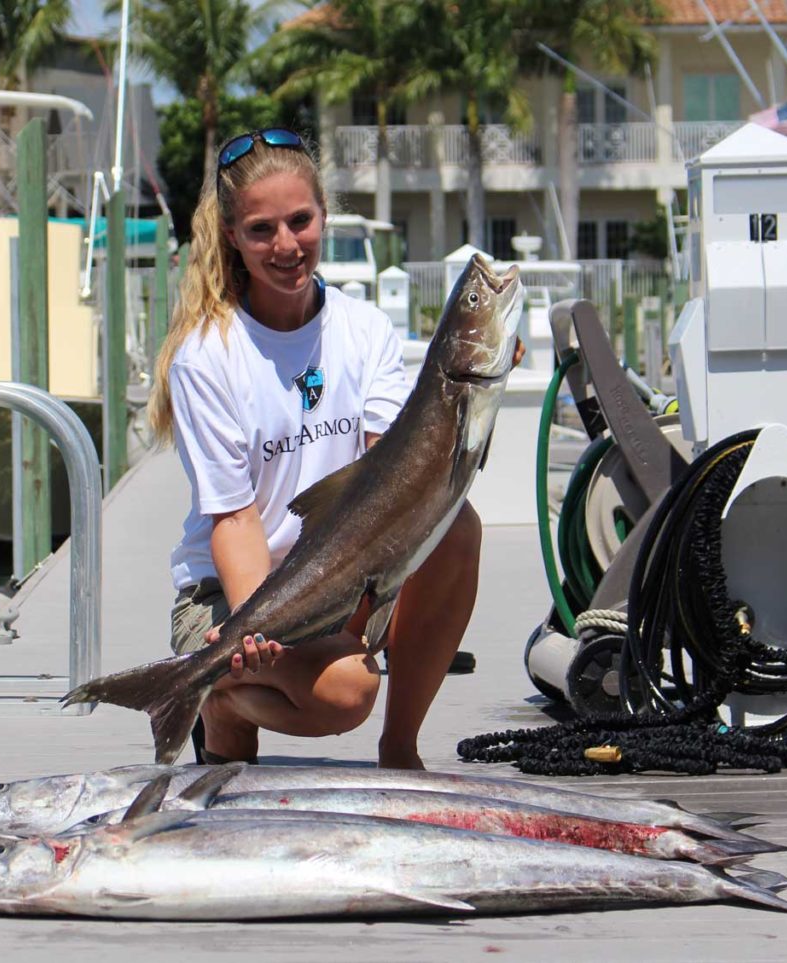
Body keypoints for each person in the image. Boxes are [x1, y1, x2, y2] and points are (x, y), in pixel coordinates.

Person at [149, 127, 521, 770]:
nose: (287, 245)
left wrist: (482, 387)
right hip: (229, 595)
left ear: (324, 215)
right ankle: (220, 695)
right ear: (232, 235)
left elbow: (388, 473)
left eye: (301, 220)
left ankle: (399, 751)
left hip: (348, 573)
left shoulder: (364, 329)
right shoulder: (206, 356)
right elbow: (234, 519)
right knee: (347, 693)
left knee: (456, 528)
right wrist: (250, 628)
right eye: (262, 229)